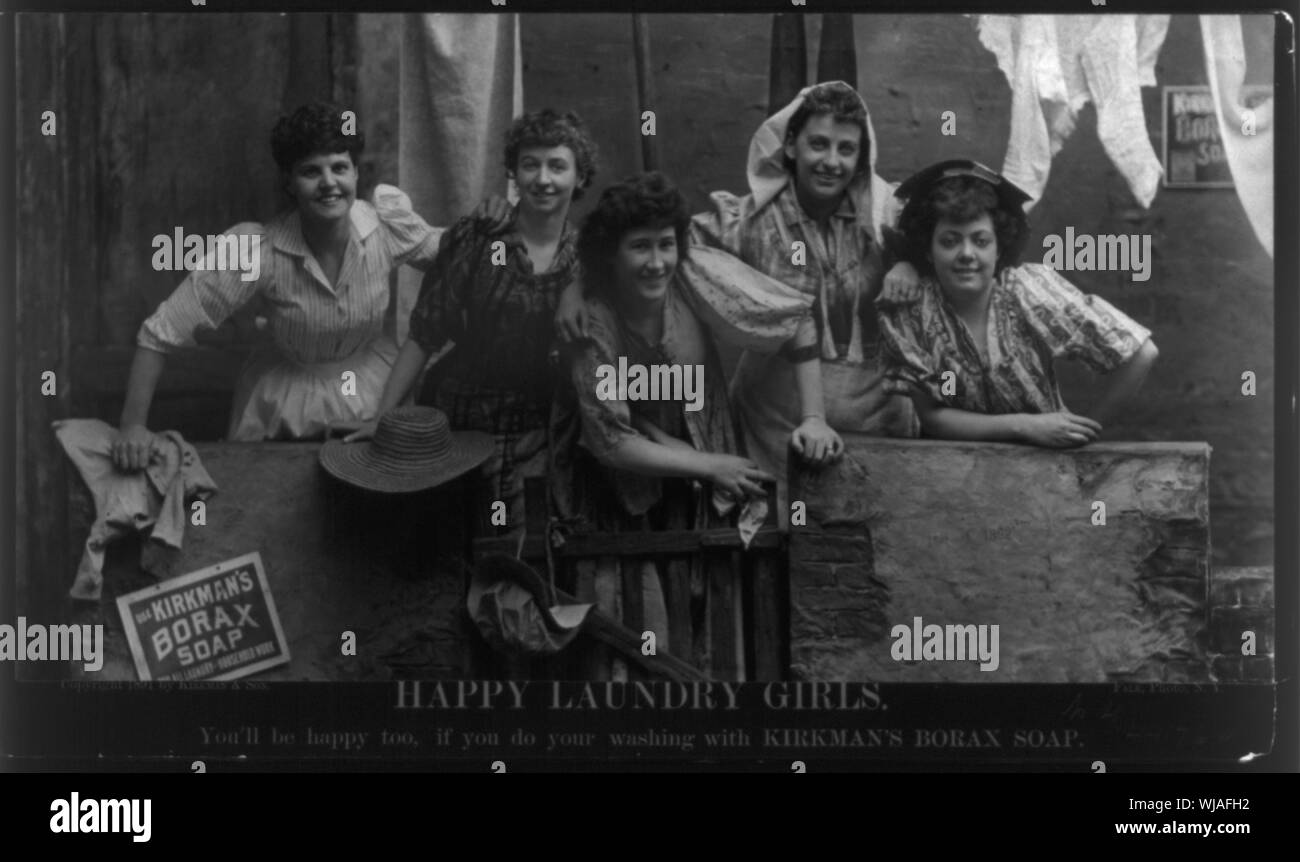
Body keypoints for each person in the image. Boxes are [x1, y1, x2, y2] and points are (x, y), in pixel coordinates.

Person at [111, 101, 508, 469]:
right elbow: (159, 332)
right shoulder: (257, 250)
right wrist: (132, 426)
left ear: (355, 173)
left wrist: (489, 222)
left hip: (376, 390)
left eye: (339, 167)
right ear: (289, 183)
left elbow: (458, 254)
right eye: (310, 171)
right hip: (285, 402)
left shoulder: (385, 229)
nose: (328, 183)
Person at [553, 172, 819, 680]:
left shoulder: (696, 276)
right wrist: (706, 464)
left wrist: (815, 418)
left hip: (700, 496)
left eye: (665, 244)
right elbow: (609, 440)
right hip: (622, 500)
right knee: (636, 631)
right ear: (610, 253)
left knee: (713, 632)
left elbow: (795, 320)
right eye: (639, 247)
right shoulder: (594, 320)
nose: (656, 262)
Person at [345, 109, 598, 539]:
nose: (543, 179)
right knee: (454, 541)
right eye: (530, 165)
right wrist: (382, 416)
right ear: (513, 173)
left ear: (580, 177)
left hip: (541, 431)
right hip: (462, 422)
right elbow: (426, 332)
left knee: (525, 548)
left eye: (557, 166)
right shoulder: (481, 238)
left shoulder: (586, 256)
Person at [877, 159, 1159, 445]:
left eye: (981, 241)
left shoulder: (1029, 291)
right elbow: (935, 416)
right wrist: (1024, 426)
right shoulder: (916, 314)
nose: (966, 254)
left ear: (999, 248)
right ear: (928, 250)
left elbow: (1142, 353)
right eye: (950, 241)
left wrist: (1083, 433)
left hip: (1047, 471)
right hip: (955, 475)